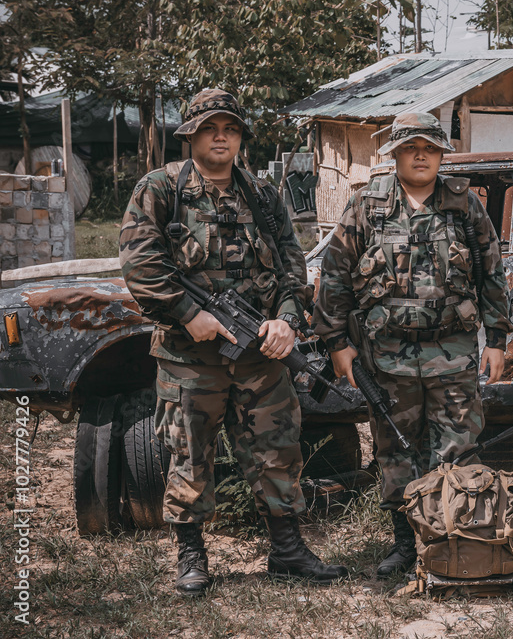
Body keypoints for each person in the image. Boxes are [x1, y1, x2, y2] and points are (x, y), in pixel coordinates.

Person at [119, 89, 347, 597]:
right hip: (188, 357)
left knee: (278, 448)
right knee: (188, 452)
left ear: (240, 137)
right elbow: (139, 264)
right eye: (209, 128)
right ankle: (191, 556)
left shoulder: (263, 195)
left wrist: (288, 319)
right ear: (191, 136)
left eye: (230, 128)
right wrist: (188, 314)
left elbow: (293, 266)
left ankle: (287, 550)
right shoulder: (160, 189)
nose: (221, 136)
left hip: (261, 355)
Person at [312, 112, 513, 578]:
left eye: (429, 147)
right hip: (387, 359)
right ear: (396, 154)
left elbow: (492, 274)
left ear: (441, 153)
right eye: (410, 147)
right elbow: (336, 277)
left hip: (455, 355)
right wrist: (337, 343)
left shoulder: (465, 207)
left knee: (459, 450)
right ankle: (406, 544)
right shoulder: (368, 206)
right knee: (394, 452)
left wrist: (498, 339)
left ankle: (455, 543)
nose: (420, 155)